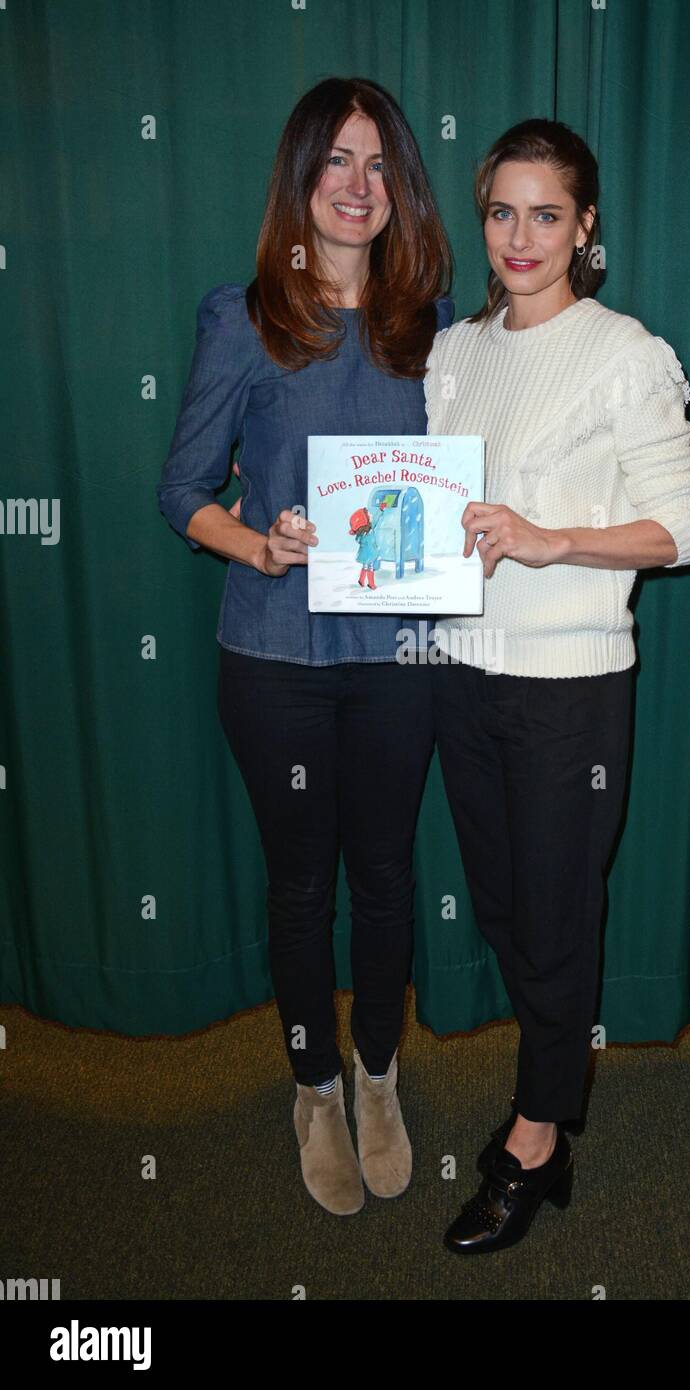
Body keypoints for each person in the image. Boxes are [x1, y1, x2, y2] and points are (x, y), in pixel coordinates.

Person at [156, 77, 453, 1218]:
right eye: (335, 160)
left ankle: (377, 1076)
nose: (357, 186)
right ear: (298, 176)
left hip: (396, 661)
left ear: (400, 190)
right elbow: (181, 491)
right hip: (275, 658)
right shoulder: (241, 318)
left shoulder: (429, 327)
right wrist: (256, 545)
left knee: (384, 878)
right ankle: (312, 1087)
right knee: (299, 888)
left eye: (378, 166)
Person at [425, 118, 690, 1254]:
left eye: (547, 213)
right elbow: (429, 506)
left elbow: (680, 532)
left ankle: (534, 1143)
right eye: (501, 211)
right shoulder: (456, 350)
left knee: (550, 920)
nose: (520, 236)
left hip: (566, 690)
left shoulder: (622, 352)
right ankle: (547, 1091)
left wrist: (550, 540)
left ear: (584, 225)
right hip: (456, 674)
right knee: (502, 908)